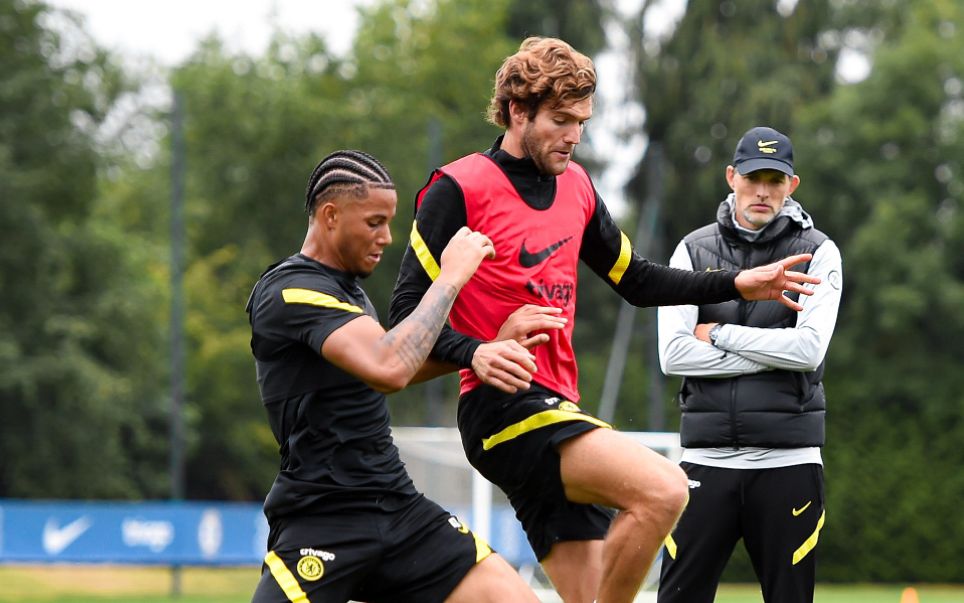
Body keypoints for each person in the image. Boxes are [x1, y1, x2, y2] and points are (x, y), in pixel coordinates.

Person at [389, 38, 821, 603]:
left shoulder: (578, 188)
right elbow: (402, 326)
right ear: (518, 112)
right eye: (561, 120)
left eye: (583, 122)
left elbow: (638, 281)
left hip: (558, 409)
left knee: (591, 592)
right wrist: (478, 349)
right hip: (502, 411)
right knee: (665, 490)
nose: (574, 135)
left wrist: (734, 282)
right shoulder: (457, 189)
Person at [246, 150, 541, 603]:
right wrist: (451, 278)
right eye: (374, 222)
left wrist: (485, 345)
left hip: (397, 507)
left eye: (389, 223)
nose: (386, 237)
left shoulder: (348, 292)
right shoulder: (289, 290)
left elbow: (397, 362)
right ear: (330, 216)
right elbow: (389, 368)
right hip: (323, 517)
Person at [655, 126, 842, 603]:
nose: (762, 191)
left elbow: (809, 352)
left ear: (792, 186)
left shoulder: (819, 252)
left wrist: (718, 334)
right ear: (731, 177)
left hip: (789, 463)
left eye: (774, 180)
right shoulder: (691, 251)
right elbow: (673, 355)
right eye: (753, 177)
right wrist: (773, 351)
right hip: (704, 462)